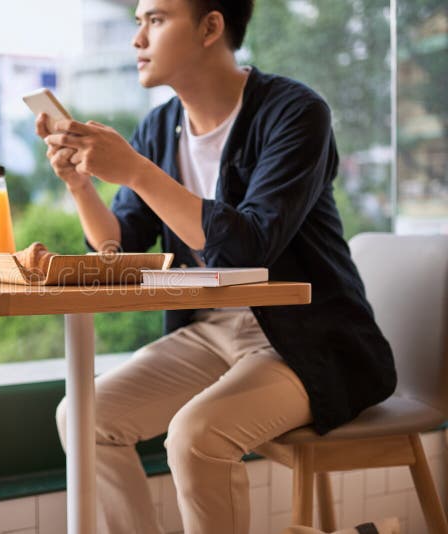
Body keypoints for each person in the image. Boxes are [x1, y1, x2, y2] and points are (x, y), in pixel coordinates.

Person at [36, 0, 397, 532]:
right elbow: (122, 245)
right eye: (138, 22)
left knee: (195, 438)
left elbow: (248, 248)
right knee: (84, 416)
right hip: (209, 333)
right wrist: (81, 186)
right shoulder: (159, 128)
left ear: (211, 26)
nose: (138, 40)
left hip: (306, 340)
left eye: (155, 20)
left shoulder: (295, 113)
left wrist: (136, 171)